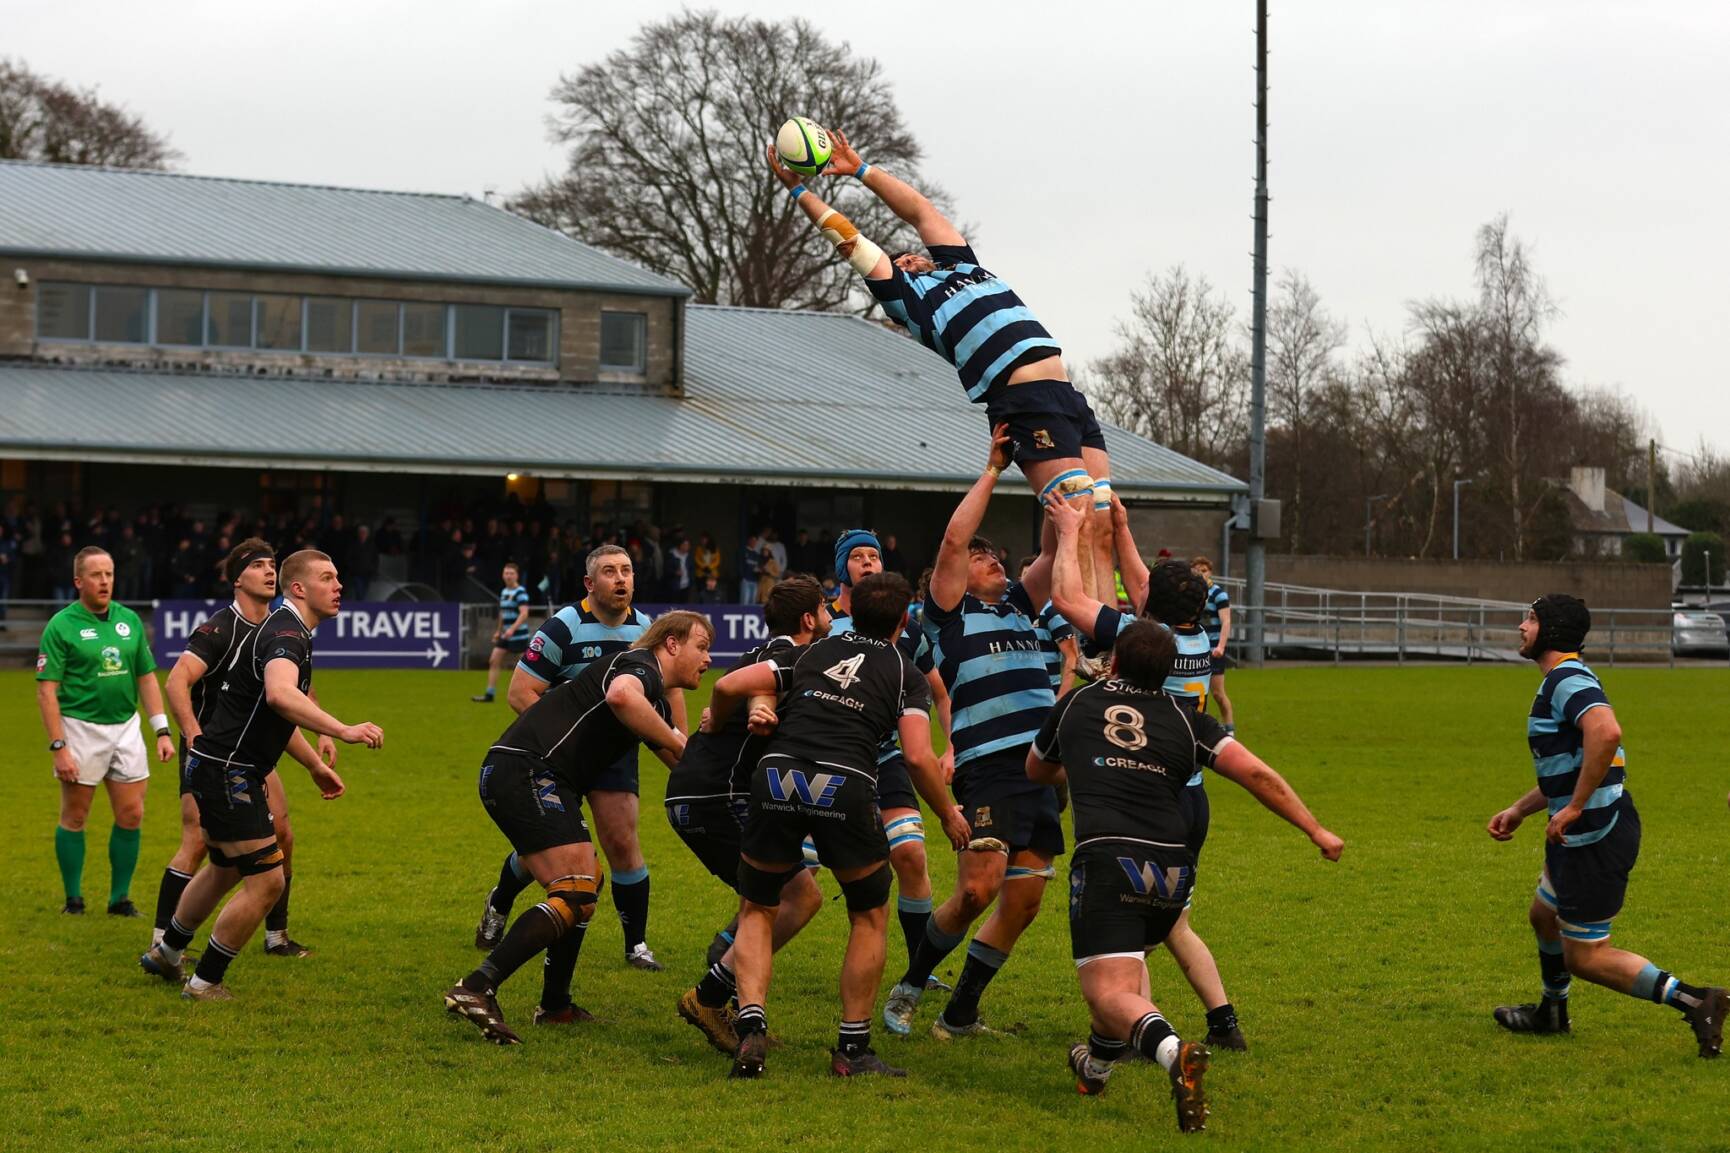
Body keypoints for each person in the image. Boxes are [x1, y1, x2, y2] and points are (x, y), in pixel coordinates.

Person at [768, 131, 1117, 610]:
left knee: (1102, 519)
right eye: (898, 260)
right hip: (1025, 401)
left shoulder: (961, 266)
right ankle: (1093, 641)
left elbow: (920, 211)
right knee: (1074, 515)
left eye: (910, 254)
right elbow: (850, 240)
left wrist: (861, 169)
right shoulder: (911, 301)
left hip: (1066, 393)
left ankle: (1113, 633)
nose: (907, 256)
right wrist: (798, 190)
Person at [1026, 620, 1343, 1131]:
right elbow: (1256, 773)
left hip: (1110, 860)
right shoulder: (1188, 716)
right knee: (1124, 984)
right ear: (1170, 671)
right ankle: (1094, 1068)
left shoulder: (1078, 704)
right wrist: (1316, 830)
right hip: (1173, 869)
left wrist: (1087, 764)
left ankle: (1175, 1053)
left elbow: (1036, 770)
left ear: (1115, 660)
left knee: (1107, 992)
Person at [710, 572, 968, 1078]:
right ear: (903, 620)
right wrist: (947, 812)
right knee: (868, 915)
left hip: (778, 777)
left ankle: (751, 1025)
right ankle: (852, 1051)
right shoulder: (903, 671)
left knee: (759, 908)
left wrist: (718, 722)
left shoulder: (811, 652)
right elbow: (916, 757)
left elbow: (726, 684)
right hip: (844, 786)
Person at [444, 612, 712, 1044]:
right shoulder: (639, 666)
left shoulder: (654, 695)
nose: (708, 658)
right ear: (673, 644)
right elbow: (623, 698)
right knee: (574, 888)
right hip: (526, 772)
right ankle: (476, 987)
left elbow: (683, 766)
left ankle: (554, 1005)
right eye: (702, 646)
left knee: (588, 882)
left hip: (529, 773)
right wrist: (680, 741)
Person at [1047, 494, 1250, 1050]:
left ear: (1145, 606)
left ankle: (1140, 1031)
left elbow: (1066, 597)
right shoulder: (1196, 638)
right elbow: (1146, 586)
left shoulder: (1137, 643)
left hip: (1150, 801)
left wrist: (1071, 531)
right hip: (1193, 798)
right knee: (1172, 923)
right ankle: (1222, 1023)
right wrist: (1122, 527)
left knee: (1134, 925)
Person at [1486, 595, 1725, 1057]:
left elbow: (1606, 732)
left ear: (1551, 630)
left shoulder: (1565, 678)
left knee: (1587, 957)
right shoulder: (1565, 679)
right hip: (1584, 829)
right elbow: (1581, 762)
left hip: (1594, 835)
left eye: (1530, 619)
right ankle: (1552, 1013)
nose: (1521, 627)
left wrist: (1574, 807)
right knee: (1543, 916)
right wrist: (1521, 809)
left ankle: (1698, 1000)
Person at [882, 429, 1062, 1040]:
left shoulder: (1020, 604)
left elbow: (1052, 547)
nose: (992, 560)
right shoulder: (947, 611)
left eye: (994, 556)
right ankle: (912, 982)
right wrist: (993, 468)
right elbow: (955, 538)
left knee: (1026, 901)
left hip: (1042, 766)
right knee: (979, 890)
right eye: (982, 558)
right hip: (989, 767)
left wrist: (1051, 474)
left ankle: (960, 1013)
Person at [140, 550, 379, 1000]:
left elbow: (272, 713)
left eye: (339, 577)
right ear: (299, 589)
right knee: (267, 881)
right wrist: (342, 729)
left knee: (224, 868)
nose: (339, 586)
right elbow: (280, 696)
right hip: (231, 771)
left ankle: (167, 952)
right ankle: (204, 982)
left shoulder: (279, 629)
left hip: (218, 766)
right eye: (328, 578)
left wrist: (313, 765)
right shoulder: (287, 633)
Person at [474, 544, 675, 975]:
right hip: (556, 756)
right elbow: (520, 693)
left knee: (621, 841)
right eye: (609, 572)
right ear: (590, 583)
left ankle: (636, 943)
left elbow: (665, 698)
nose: (620, 579)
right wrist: (562, 738)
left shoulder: (647, 631)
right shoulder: (563, 627)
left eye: (626, 571)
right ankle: (501, 899)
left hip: (614, 755)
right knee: (548, 850)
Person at [154, 539, 341, 957]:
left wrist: (318, 746)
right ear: (238, 579)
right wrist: (189, 733)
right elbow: (175, 681)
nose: (269, 571)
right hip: (212, 748)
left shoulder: (276, 628)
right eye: (258, 565)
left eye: (272, 564)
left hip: (250, 749)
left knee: (281, 836)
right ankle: (164, 942)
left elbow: (289, 697)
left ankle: (275, 936)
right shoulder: (221, 628)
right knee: (200, 844)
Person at [670, 577, 831, 1055]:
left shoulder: (763, 651)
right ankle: (713, 992)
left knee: (760, 900)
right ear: (808, 619)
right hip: (719, 797)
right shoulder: (790, 657)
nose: (829, 616)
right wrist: (735, 716)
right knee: (796, 898)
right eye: (825, 609)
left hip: (695, 792)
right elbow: (743, 689)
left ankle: (736, 1004)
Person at [826, 530, 955, 981]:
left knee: (912, 856)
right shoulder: (820, 622)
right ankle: (730, 951)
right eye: (857, 557)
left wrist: (951, 744)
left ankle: (920, 969)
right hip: (829, 759)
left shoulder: (907, 628)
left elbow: (938, 691)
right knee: (790, 875)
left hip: (887, 758)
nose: (867, 563)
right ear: (842, 568)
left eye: (874, 556)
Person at [35, 546, 176, 916]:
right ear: (78, 581)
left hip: (126, 728)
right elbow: (46, 690)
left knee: (131, 814)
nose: (105, 581)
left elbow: (146, 676)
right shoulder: (61, 625)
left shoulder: (128, 620)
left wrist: (161, 729)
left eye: (109, 574)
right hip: (80, 729)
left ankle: (120, 899)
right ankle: (74, 899)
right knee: (76, 816)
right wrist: (58, 746)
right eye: (96, 575)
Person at [473, 562, 532, 703]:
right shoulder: (504, 592)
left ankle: (531, 693)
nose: (508, 576)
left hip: (518, 635)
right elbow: (502, 613)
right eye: (506, 573)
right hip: (506, 635)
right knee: (494, 660)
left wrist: (512, 629)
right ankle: (489, 694)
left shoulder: (520, 592)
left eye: (511, 573)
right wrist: (498, 631)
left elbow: (524, 614)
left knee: (525, 666)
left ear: (516, 575)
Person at [1020, 554, 1078, 697]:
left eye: (1033, 575)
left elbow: (1073, 656)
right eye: (1025, 576)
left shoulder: (1052, 612)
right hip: (1019, 699)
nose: (1029, 581)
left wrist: (1060, 699)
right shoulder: (1013, 613)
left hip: (1047, 697)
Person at [1192, 557, 1235, 733]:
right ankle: (1200, 729)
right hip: (1197, 649)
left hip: (1214, 649)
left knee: (1218, 693)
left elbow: (1226, 621)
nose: (1201, 574)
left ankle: (1230, 729)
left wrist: (1221, 647)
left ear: (1210, 572)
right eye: (1197, 570)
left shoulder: (1219, 594)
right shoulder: (1193, 593)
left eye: (1204, 570)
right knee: (1198, 693)